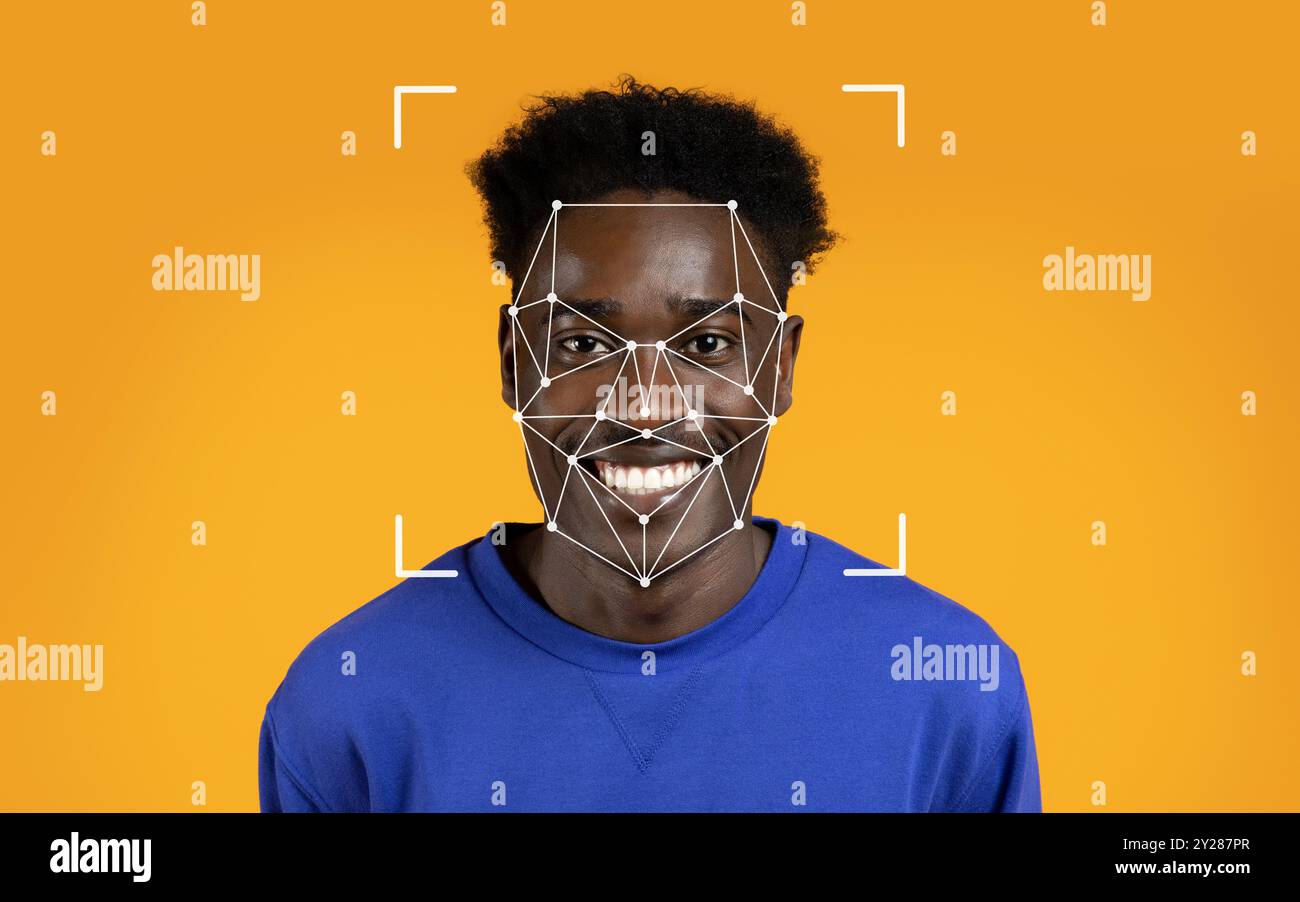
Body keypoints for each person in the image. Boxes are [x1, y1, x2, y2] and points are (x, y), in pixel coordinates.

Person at [258, 75, 1041, 812]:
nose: (643, 404)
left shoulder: (947, 687)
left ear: (781, 367)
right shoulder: (349, 700)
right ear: (511, 362)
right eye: (579, 343)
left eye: (706, 345)